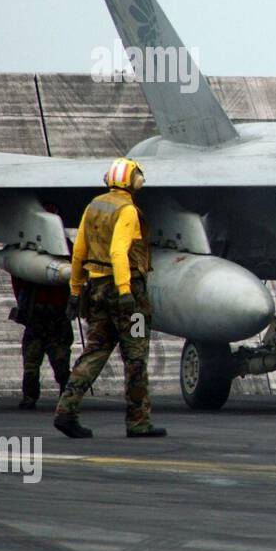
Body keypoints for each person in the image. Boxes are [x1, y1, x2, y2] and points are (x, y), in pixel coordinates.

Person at [54, 157, 165, 438]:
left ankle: (66, 411)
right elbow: (119, 251)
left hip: (97, 289)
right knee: (136, 356)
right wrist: (126, 291)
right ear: (132, 180)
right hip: (128, 295)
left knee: (95, 351)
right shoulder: (127, 210)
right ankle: (138, 421)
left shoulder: (94, 206)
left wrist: (75, 290)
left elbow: (78, 251)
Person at [11, 273, 73, 410]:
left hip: (56, 322)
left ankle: (66, 397)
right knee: (31, 365)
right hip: (37, 322)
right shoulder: (30, 274)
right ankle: (30, 396)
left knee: (60, 365)